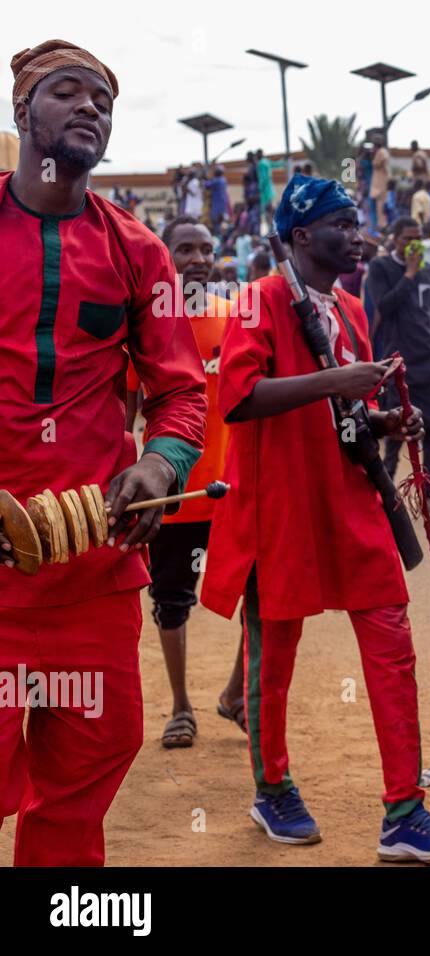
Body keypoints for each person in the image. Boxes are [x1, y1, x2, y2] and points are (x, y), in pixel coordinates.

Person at [200, 174, 430, 862]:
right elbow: (239, 398)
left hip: (351, 502)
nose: (357, 235)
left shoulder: (349, 307)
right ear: (300, 237)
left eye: (356, 222)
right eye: (341, 224)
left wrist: (383, 417)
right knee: (274, 662)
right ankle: (272, 789)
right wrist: (336, 382)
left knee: (392, 647)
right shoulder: (259, 302)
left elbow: (342, 415)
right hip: (281, 508)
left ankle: (404, 811)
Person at [0, 40, 207, 866]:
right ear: (22, 113)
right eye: (68, 92)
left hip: (95, 563)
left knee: (89, 765)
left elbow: (182, 392)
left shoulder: (139, 252)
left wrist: (161, 465)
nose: (90, 107)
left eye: (104, 100)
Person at [123, 216, 243, 746]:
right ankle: (180, 708)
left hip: (235, 493)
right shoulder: (149, 331)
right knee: (172, 603)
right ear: (164, 258)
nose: (197, 258)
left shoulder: (236, 319)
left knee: (262, 596)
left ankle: (238, 694)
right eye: (184, 249)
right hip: (174, 496)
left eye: (206, 248)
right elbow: (124, 418)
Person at [366, 216, 430, 514]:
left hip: (429, 361)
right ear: (395, 240)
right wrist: (409, 274)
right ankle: (386, 493)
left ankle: (428, 495)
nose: (414, 244)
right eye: (407, 239)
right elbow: (384, 307)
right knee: (395, 429)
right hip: (400, 364)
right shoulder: (381, 268)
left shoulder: (429, 272)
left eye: (418, 238)